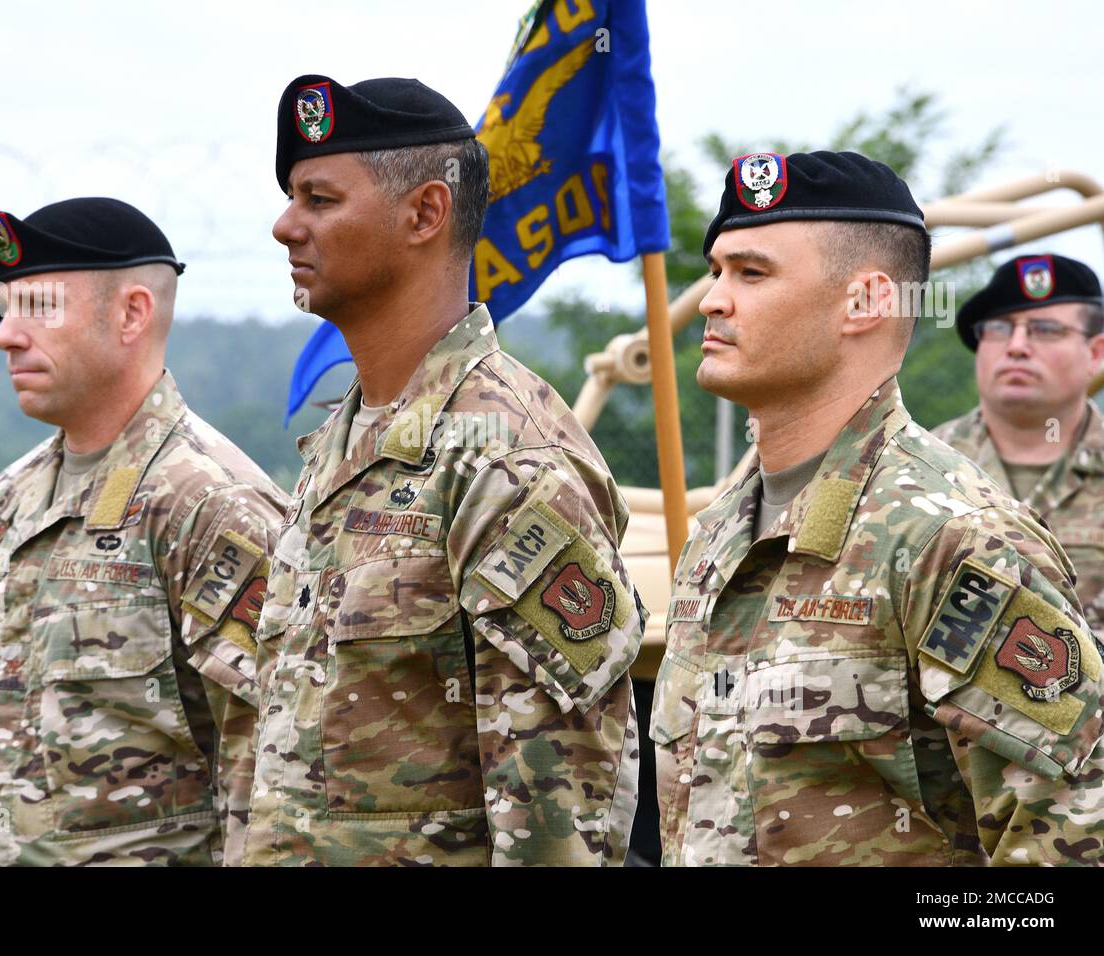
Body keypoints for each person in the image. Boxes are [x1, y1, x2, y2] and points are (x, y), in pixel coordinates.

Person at [651, 151, 1103, 866]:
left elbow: (1072, 841)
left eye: (752, 273)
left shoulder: (952, 537)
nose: (712, 299)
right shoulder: (719, 537)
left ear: (865, 302)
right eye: (715, 272)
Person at [242, 75, 644, 866]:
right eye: (293, 197)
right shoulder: (345, 440)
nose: (286, 225)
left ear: (425, 212)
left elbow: (556, 821)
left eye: (320, 199)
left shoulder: (506, 457)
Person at [0, 197, 287, 865]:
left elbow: (276, 780)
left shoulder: (208, 503)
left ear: (133, 313)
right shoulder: (11, 500)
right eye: (3, 307)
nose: (6, 334)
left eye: (39, 307)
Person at [934, 254, 1104, 633]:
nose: (1017, 346)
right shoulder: (920, 467)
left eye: (1045, 330)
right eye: (999, 328)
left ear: (1095, 353)